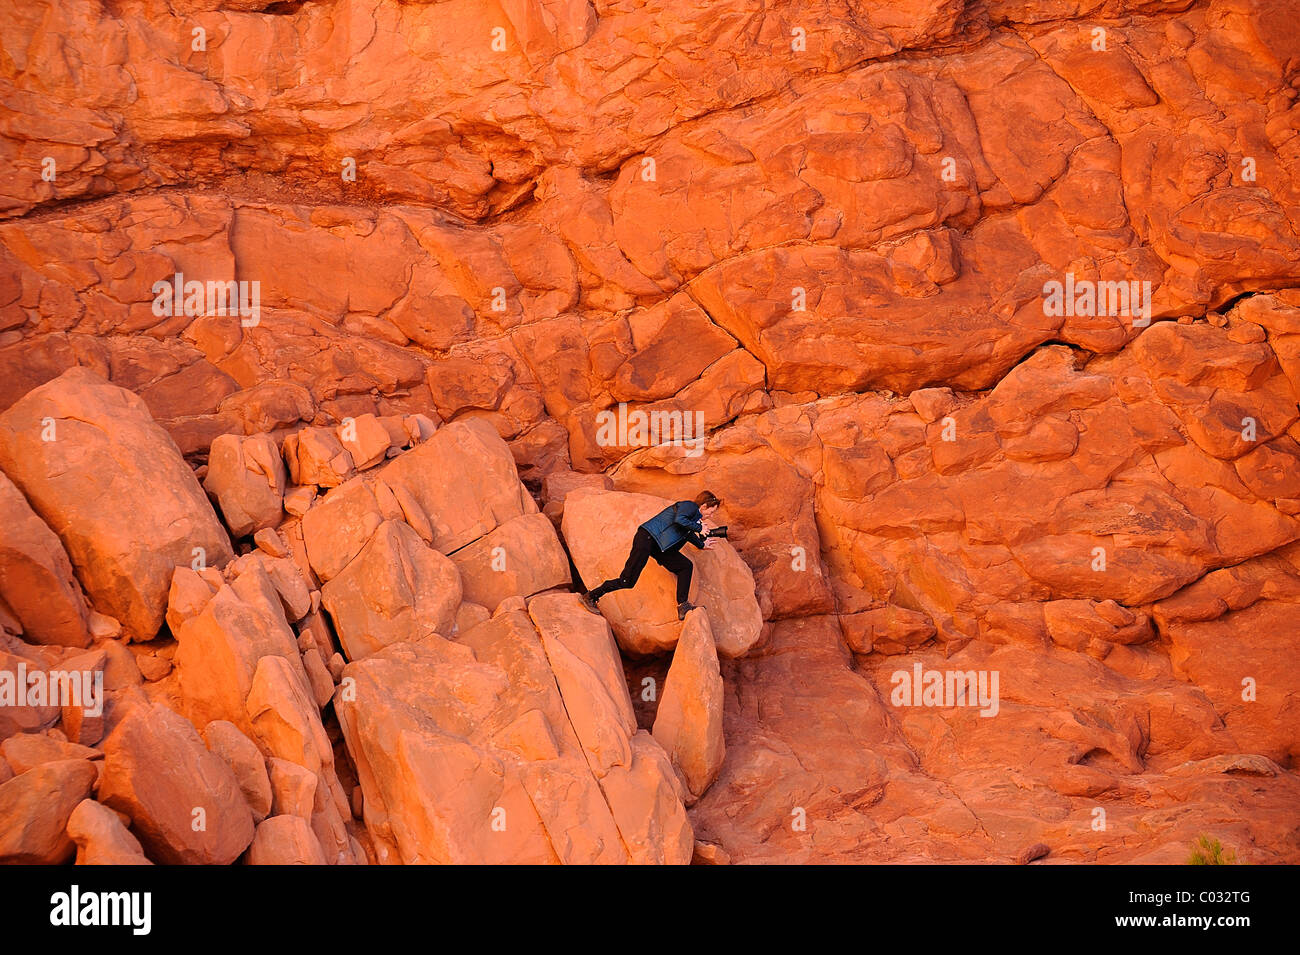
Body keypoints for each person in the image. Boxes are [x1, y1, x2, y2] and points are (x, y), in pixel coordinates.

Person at [580, 491, 722, 621]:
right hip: (647, 538)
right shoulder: (689, 506)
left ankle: (683, 606)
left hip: (659, 547)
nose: (711, 516)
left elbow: (687, 532)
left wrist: (702, 544)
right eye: (711, 511)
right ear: (703, 506)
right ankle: (591, 596)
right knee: (627, 581)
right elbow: (680, 519)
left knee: (685, 566)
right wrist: (699, 527)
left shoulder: (693, 519)